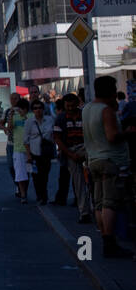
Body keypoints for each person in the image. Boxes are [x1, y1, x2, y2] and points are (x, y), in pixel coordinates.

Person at [81, 76, 133, 258]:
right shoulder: (105, 111)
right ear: (110, 90)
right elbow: (112, 137)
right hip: (109, 160)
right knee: (109, 203)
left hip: (93, 160)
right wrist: (127, 133)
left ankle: (105, 238)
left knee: (99, 203)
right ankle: (110, 243)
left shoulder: (87, 109)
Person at [53, 93, 88, 218]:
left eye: (73, 105)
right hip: (70, 151)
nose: (70, 108)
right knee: (78, 183)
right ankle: (84, 212)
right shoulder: (61, 118)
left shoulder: (84, 115)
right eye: (68, 106)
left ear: (77, 104)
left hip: (85, 148)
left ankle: (93, 209)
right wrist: (70, 155)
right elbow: (57, 139)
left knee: (90, 181)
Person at [26, 99, 55, 205]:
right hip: (34, 152)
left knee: (45, 174)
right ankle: (40, 195)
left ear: (43, 109)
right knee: (36, 176)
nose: (38, 110)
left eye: (40, 108)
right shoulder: (29, 122)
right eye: (35, 108)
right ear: (32, 110)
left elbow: (54, 134)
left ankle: (44, 195)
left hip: (46, 151)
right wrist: (28, 155)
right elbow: (26, 140)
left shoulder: (50, 120)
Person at [5, 97, 31, 203]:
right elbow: (10, 128)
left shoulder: (30, 116)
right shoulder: (14, 117)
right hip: (18, 149)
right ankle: (23, 194)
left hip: (30, 149)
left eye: (21, 108)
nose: (19, 110)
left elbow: (30, 124)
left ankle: (24, 191)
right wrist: (11, 115)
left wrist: (23, 115)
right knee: (20, 173)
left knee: (28, 172)